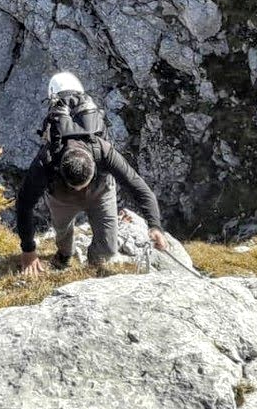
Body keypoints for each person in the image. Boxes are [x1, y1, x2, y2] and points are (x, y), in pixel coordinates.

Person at [16, 74, 167, 274]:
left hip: (99, 192)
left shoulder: (103, 151)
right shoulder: (47, 160)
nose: (81, 189)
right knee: (62, 231)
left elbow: (138, 187)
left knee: (107, 251)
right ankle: (65, 255)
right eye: (76, 186)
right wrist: (28, 250)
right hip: (64, 196)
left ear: (94, 167)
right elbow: (24, 203)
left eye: (83, 184)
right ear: (61, 169)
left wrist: (155, 226)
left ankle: (94, 267)